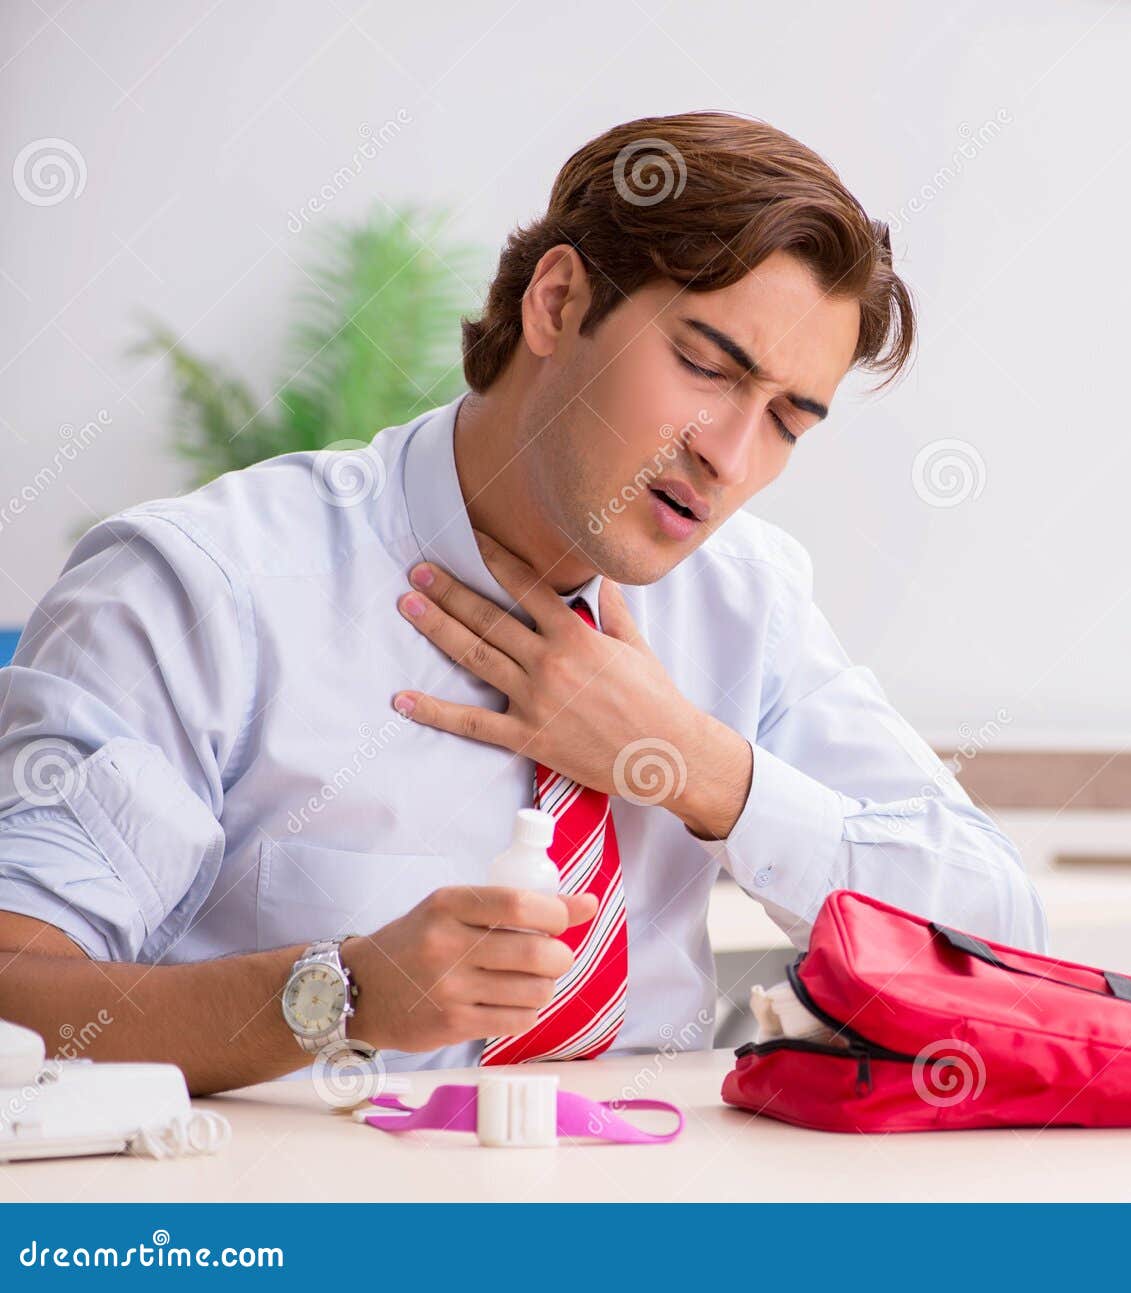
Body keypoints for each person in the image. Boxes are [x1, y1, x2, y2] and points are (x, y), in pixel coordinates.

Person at [0, 111, 1046, 1095]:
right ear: (557, 303)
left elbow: (1002, 938)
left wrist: (699, 769)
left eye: (787, 422)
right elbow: (16, 1000)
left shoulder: (746, 601)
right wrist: (338, 997)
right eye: (703, 366)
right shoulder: (203, 588)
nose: (731, 457)